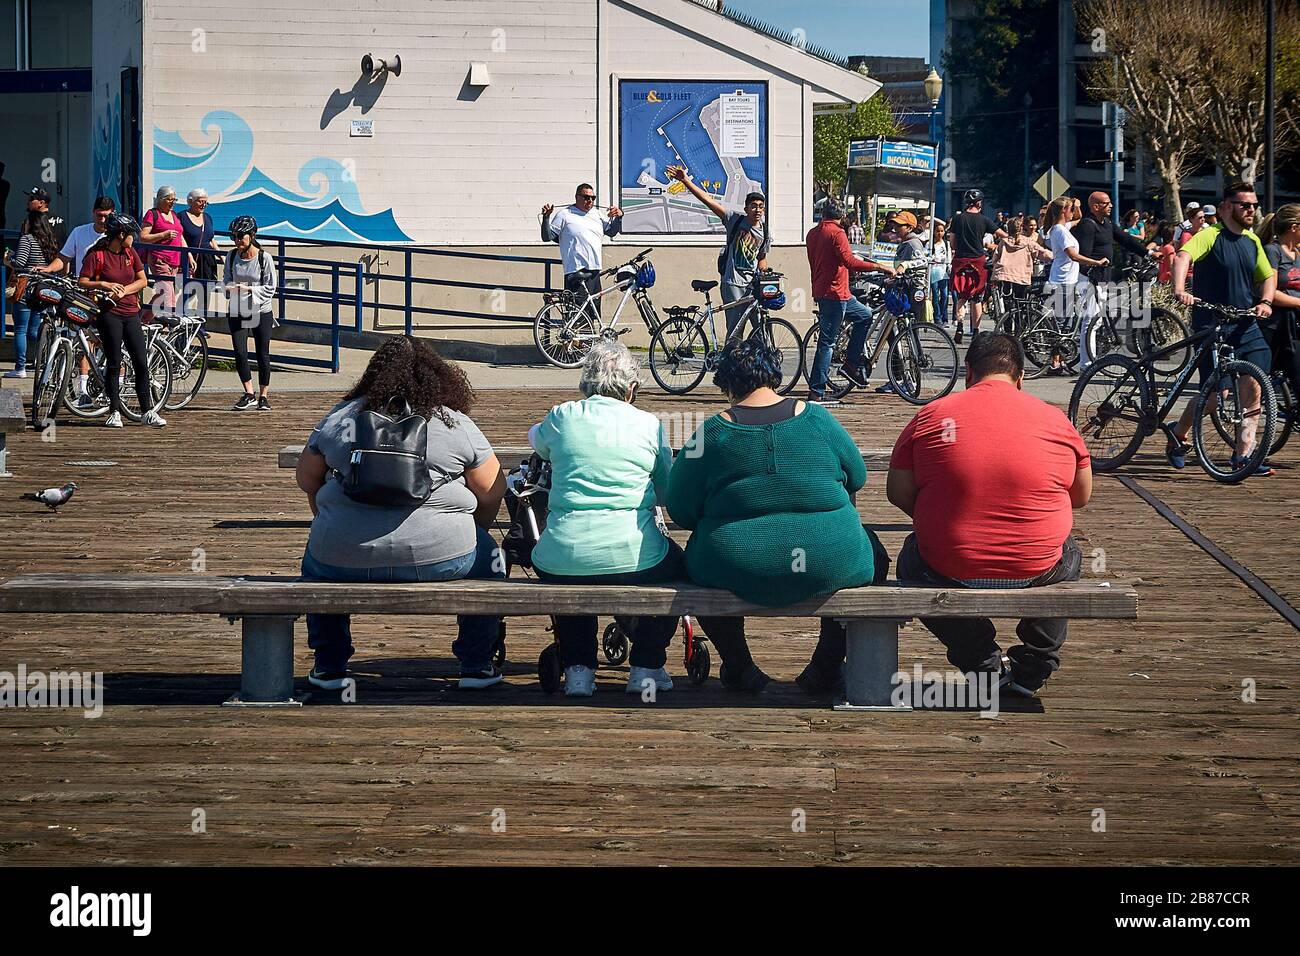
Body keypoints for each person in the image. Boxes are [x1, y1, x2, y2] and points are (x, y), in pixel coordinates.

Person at [666, 336, 889, 697]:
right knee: (874, 555)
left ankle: (739, 667)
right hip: (833, 559)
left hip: (734, 562)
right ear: (774, 374)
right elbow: (858, 477)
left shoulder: (712, 432)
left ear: (726, 383)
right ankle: (826, 668)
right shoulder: (818, 418)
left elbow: (680, 507)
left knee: (693, 562)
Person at [294, 337, 507, 691]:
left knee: (315, 560)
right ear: (438, 377)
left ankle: (330, 667)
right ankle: (476, 665)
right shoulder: (452, 422)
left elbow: (306, 479)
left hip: (341, 555)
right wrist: (476, 530)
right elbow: (492, 489)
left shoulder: (342, 417)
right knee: (495, 559)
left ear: (372, 376)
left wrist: (327, 518)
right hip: (444, 556)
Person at [886, 332, 1091, 699]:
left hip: (948, 564)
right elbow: (1080, 496)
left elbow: (898, 493)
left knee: (912, 561)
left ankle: (982, 663)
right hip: (1037, 567)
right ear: (1021, 376)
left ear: (968, 373)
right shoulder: (1055, 419)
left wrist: (945, 515)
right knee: (1069, 552)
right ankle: (1034, 667)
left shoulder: (932, 415)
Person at [528, 342, 683, 697]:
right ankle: (646, 664)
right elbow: (666, 492)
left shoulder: (562, 416)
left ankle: (579, 671)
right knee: (679, 570)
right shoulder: (649, 425)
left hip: (560, 553)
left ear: (585, 384)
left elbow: (535, 439)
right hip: (634, 556)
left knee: (573, 572)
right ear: (632, 389)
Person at [1166, 182, 1276, 476]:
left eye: (1253, 205)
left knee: (1254, 387)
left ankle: (1244, 457)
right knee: (1217, 394)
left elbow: (1268, 275)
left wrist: (1265, 300)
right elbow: (1183, 257)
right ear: (1227, 206)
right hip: (1212, 323)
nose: (1251, 210)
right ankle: (1179, 432)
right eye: (1245, 205)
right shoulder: (1209, 236)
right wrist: (1180, 289)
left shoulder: (1252, 242)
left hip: (1245, 323)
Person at [77, 214, 167, 428]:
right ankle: (114, 411)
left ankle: (148, 411)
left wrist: (124, 291)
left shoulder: (130, 253)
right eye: (131, 235)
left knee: (141, 362)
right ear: (120, 234)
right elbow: (82, 281)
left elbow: (142, 280)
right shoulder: (97, 255)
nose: (133, 239)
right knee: (114, 361)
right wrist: (105, 286)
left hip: (130, 313)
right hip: (109, 313)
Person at [805, 198, 895, 403]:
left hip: (830, 291)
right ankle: (816, 391)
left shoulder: (813, 233)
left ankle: (851, 364)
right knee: (827, 344)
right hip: (835, 294)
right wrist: (879, 267)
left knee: (865, 316)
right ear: (841, 215)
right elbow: (849, 261)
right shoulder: (837, 233)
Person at [665, 165, 769, 336]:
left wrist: (765, 274)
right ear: (746, 209)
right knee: (736, 331)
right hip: (733, 283)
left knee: (760, 328)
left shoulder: (765, 230)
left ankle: (756, 362)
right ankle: (729, 362)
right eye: (753, 206)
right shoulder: (734, 220)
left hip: (752, 286)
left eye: (760, 206)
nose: (757, 210)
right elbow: (709, 201)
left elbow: (762, 257)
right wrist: (685, 180)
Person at [1072, 191, 1158, 370]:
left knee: (1098, 320)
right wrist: (1091, 270)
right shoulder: (1088, 225)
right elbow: (1083, 254)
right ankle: (1087, 364)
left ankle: (1092, 359)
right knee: (1091, 321)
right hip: (1089, 279)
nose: (1111, 206)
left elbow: (1125, 239)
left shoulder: (1107, 224)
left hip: (1103, 279)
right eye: (1106, 203)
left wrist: (1147, 252)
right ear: (1096, 206)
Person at [59, 196, 116, 406]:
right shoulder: (80, 232)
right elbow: (63, 258)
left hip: (111, 296)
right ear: (93, 212)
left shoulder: (117, 235)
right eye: (99, 215)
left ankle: (111, 389)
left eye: (107, 216)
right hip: (86, 294)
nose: (102, 220)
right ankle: (83, 390)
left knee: (113, 344)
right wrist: (47, 270)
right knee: (86, 341)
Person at [1044, 196, 1108, 373]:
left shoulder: (1062, 227)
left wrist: (1077, 205)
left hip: (1069, 280)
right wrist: (1096, 262)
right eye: (1070, 209)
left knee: (1067, 324)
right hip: (1063, 281)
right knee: (1062, 325)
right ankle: (1055, 363)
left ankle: (1060, 361)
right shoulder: (1059, 231)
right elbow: (1073, 256)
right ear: (1063, 211)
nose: (1073, 211)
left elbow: (1079, 219)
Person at [540, 184, 623, 320]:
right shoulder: (565, 214)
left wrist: (619, 217)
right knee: (576, 313)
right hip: (576, 270)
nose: (589, 201)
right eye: (585, 197)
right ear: (577, 197)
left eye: (592, 198)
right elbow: (547, 237)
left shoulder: (596, 214)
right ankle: (573, 341)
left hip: (594, 270)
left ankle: (587, 341)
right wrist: (546, 218)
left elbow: (611, 231)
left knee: (592, 313)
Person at [5, 204, 66, 378]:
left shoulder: (27, 239)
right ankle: (42, 360)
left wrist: (9, 259)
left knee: (21, 329)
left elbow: (21, 262)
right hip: (43, 288)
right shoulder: (51, 241)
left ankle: (20, 368)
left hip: (26, 287)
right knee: (35, 329)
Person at [223, 216, 277, 411]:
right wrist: (230, 288)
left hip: (260, 311)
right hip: (237, 310)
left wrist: (248, 290)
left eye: (240, 236)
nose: (237, 241)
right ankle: (249, 393)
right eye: (233, 237)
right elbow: (226, 281)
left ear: (252, 235)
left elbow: (271, 288)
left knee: (262, 353)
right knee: (239, 352)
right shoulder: (231, 256)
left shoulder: (264, 258)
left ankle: (263, 395)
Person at [1257, 205, 1300, 430]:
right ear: (1294, 227)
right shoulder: (1272, 251)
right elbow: (1270, 293)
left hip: (1296, 325)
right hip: (1276, 326)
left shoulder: (1298, 253)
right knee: (1257, 381)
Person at [949, 188, 1007, 343]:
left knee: (962, 296)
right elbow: (1004, 236)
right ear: (979, 203)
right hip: (978, 261)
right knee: (977, 298)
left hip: (960, 261)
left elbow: (952, 243)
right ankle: (975, 331)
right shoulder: (984, 220)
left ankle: (960, 324)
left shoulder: (957, 218)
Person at [139, 185, 185, 314]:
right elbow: (143, 237)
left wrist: (189, 255)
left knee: (162, 293)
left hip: (175, 260)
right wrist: (163, 235)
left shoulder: (174, 215)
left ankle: (144, 319)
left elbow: (180, 237)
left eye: (174, 200)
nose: (172, 203)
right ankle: (173, 325)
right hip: (159, 258)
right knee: (168, 293)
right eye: (169, 199)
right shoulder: (152, 214)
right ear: (160, 199)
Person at [179, 188, 220, 316]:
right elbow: (180, 237)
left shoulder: (207, 217)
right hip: (191, 258)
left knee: (206, 291)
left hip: (207, 258)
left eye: (205, 202)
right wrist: (189, 255)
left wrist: (221, 255)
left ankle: (202, 324)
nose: (203, 205)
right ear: (190, 201)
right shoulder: (181, 216)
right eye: (200, 201)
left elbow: (211, 238)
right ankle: (181, 316)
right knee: (189, 290)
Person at [991, 218, 1050, 306]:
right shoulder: (1028, 242)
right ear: (1021, 228)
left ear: (1008, 229)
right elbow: (1044, 254)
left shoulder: (1003, 242)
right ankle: (1019, 318)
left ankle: (1007, 317)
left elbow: (995, 259)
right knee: (1022, 303)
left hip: (1005, 275)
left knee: (1008, 302)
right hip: (1022, 275)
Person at [929, 220, 953, 326]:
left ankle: (944, 316)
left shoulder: (946, 244)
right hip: (934, 271)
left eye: (942, 231)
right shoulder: (930, 244)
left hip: (944, 272)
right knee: (935, 294)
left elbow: (949, 257)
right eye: (937, 231)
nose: (940, 233)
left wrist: (949, 267)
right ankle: (937, 318)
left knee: (944, 295)